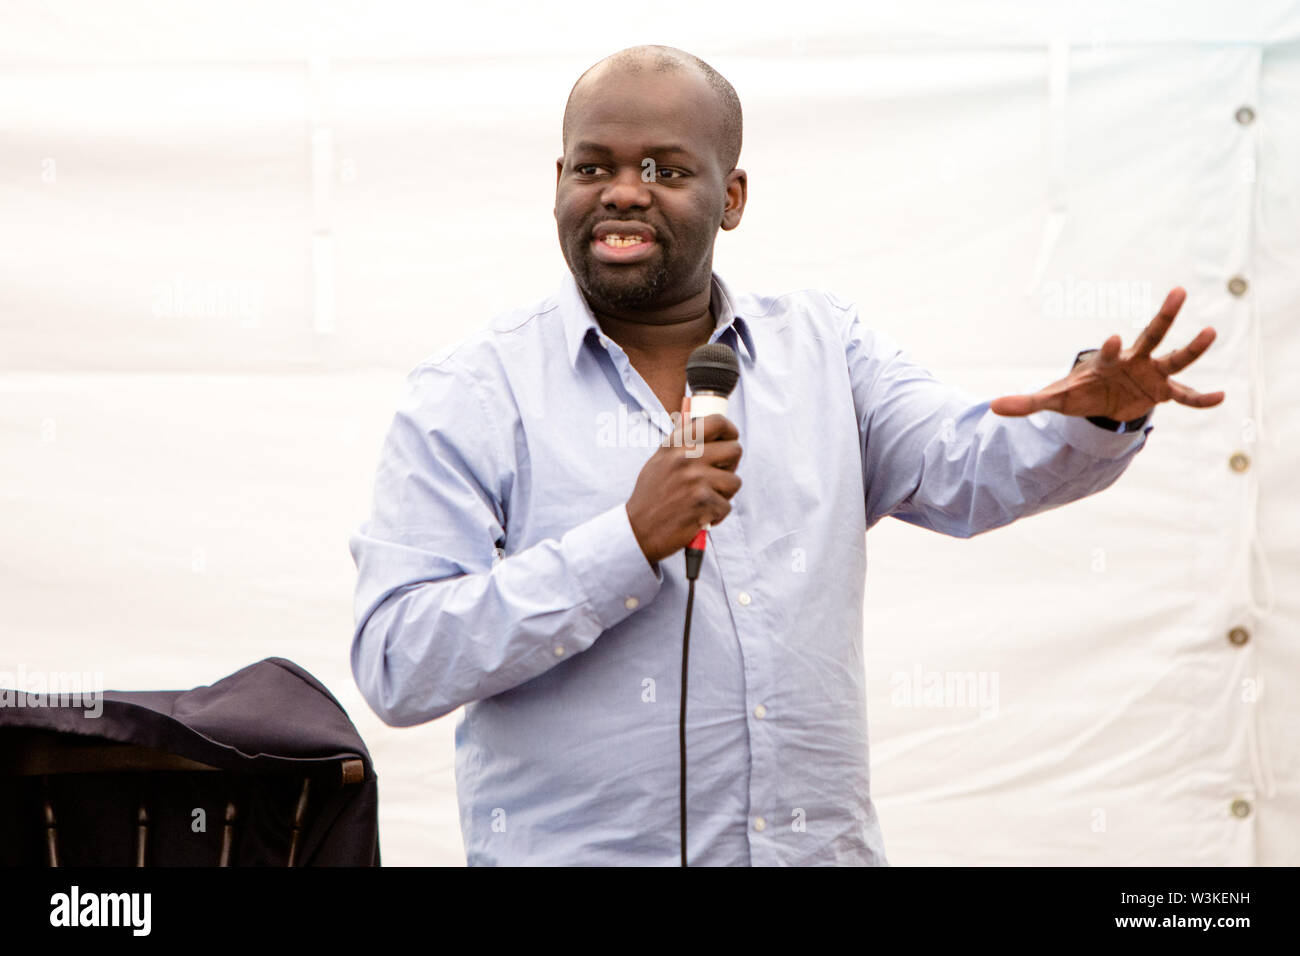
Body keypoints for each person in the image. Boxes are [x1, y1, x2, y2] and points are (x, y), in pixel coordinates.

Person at [348, 45, 1224, 866]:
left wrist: (1097, 419)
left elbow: (967, 468)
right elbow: (398, 659)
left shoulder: (825, 349)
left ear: (731, 198)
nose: (624, 191)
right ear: (557, 184)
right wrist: (625, 541)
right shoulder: (472, 390)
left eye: (664, 168)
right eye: (594, 166)